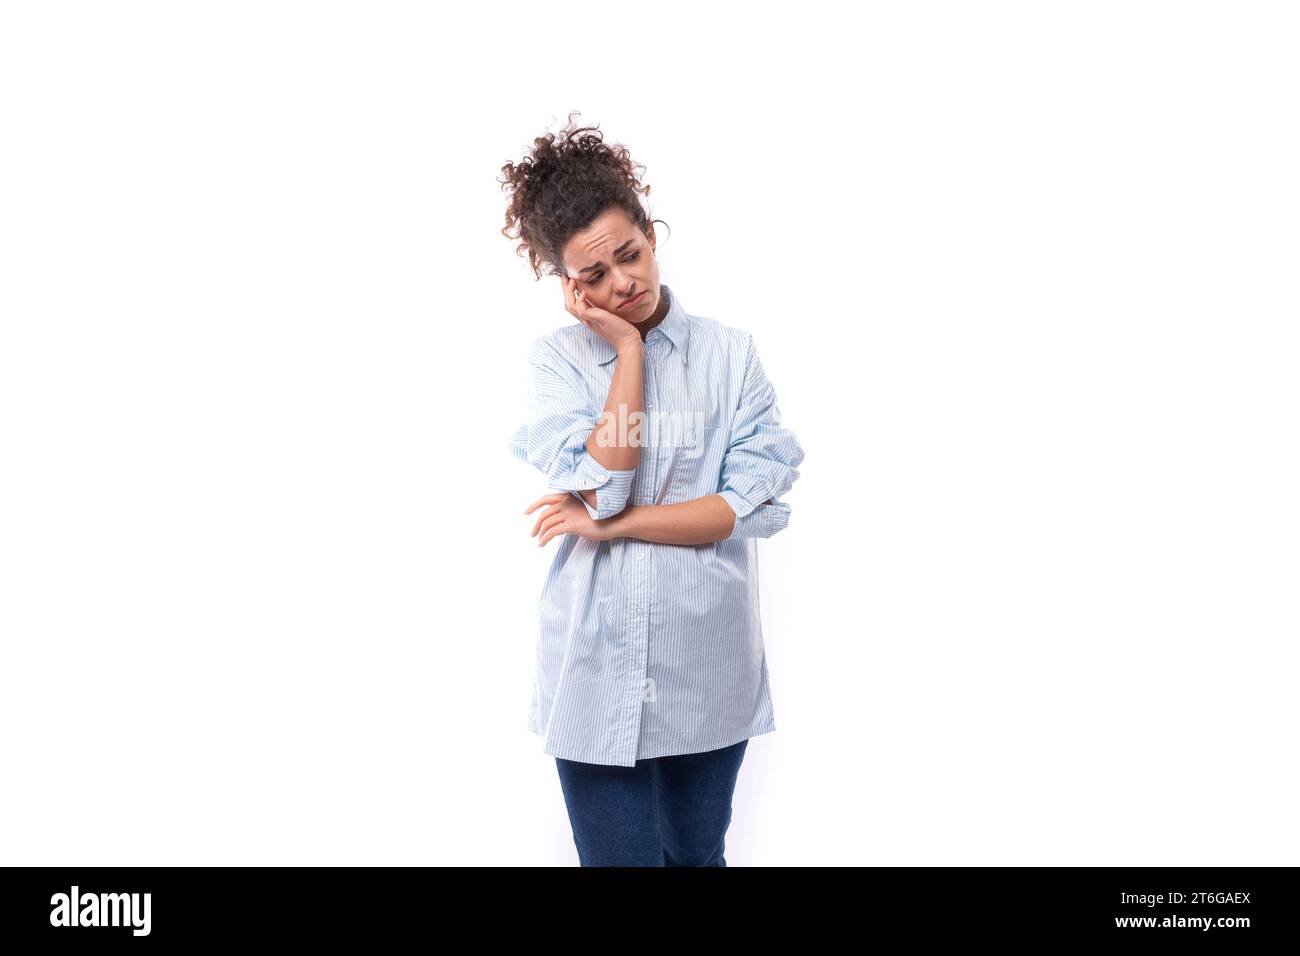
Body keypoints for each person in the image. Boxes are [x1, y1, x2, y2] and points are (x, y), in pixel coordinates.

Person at [500, 113, 805, 866]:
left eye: (628, 256)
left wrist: (613, 527)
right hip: (594, 671)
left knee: (697, 859)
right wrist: (629, 348)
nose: (621, 283)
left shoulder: (731, 358)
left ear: (651, 232)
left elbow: (743, 508)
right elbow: (603, 486)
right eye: (593, 276)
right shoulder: (558, 365)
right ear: (567, 285)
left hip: (707, 670)